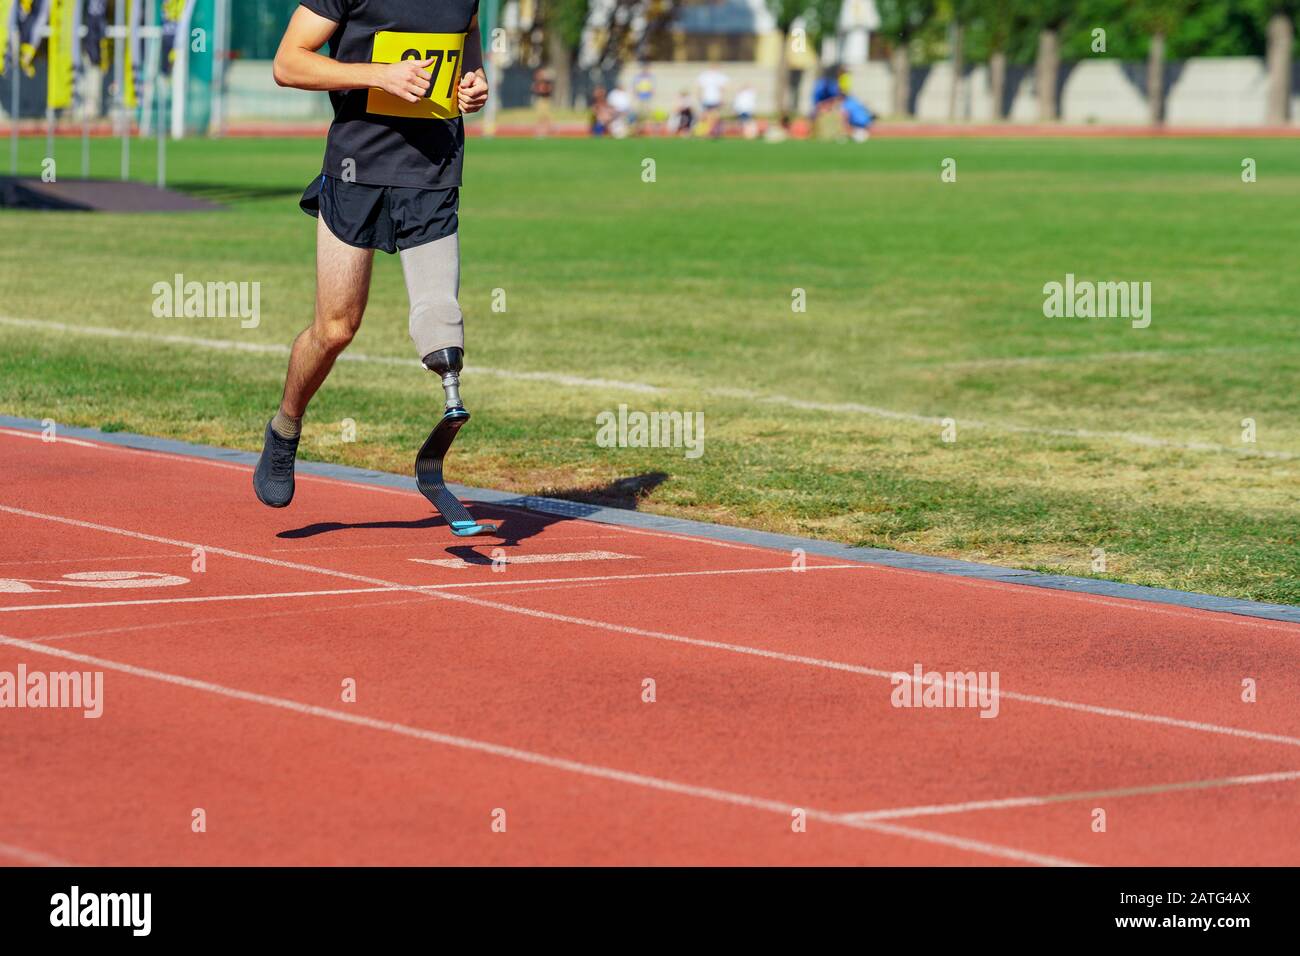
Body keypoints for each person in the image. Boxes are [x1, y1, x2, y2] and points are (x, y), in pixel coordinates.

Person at [254, 0, 490, 516]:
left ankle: (449, 407)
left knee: (441, 323)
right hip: (356, 169)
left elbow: (467, 37)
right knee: (336, 328)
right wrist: (378, 76)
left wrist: (473, 82)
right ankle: (286, 425)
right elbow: (288, 62)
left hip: (434, 172)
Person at [696, 61, 728, 137]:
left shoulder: (719, 76)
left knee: (715, 115)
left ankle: (712, 131)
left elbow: (722, 88)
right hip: (707, 98)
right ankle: (707, 131)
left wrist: (722, 98)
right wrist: (699, 96)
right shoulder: (705, 75)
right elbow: (700, 87)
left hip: (715, 99)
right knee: (706, 116)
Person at [531, 66, 554, 137]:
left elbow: (549, 89)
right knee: (539, 117)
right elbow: (534, 89)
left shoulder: (547, 82)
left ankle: (547, 132)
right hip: (540, 99)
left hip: (546, 99)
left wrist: (544, 89)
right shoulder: (537, 82)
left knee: (546, 117)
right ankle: (539, 132)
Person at [632, 61, 655, 133]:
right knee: (640, 113)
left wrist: (651, 93)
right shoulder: (638, 77)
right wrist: (637, 94)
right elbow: (635, 87)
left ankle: (647, 129)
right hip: (640, 97)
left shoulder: (650, 77)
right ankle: (639, 128)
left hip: (647, 97)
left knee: (647, 113)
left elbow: (652, 87)